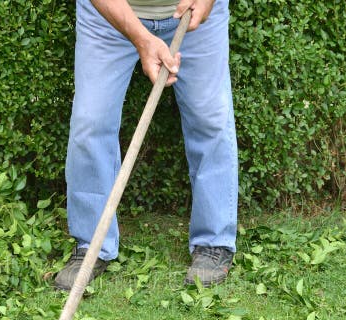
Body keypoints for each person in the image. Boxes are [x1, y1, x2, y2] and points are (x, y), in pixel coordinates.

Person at [54, 0, 238, 290]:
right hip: (108, 16)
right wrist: (141, 38)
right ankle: (92, 245)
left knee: (211, 120)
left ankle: (214, 243)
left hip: (193, 14)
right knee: (91, 124)